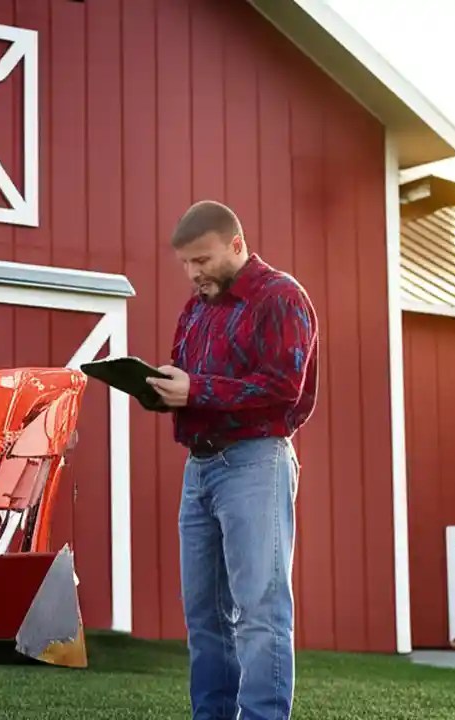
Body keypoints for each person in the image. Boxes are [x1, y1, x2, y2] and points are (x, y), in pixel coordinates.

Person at [145, 200, 318, 720]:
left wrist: (195, 388)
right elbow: (193, 380)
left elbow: (284, 387)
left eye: (202, 260)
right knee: (205, 616)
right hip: (199, 471)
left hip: (255, 463)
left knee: (260, 612)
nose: (193, 273)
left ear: (237, 246)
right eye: (185, 263)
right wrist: (160, 387)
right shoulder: (196, 307)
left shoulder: (281, 297)